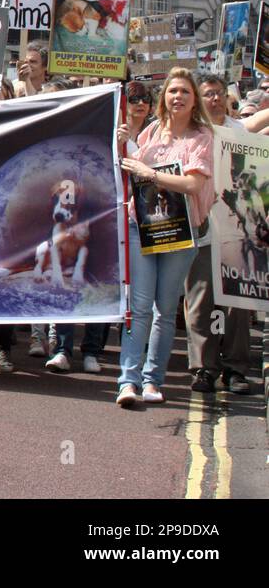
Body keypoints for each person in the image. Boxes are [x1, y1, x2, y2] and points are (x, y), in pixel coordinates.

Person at [115, 67, 214, 407]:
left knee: (166, 309)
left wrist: (151, 173)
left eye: (185, 92)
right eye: (173, 91)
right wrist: (121, 144)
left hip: (180, 231)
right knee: (139, 307)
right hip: (142, 227)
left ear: (193, 99)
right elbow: (131, 173)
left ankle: (152, 380)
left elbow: (193, 184)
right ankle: (127, 381)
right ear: (164, 97)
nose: (178, 97)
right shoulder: (151, 132)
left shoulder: (201, 136)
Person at [184, 74, 252, 394]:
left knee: (237, 304)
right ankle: (204, 368)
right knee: (203, 302)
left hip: (237, 232)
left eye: (219, 94)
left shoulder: (240, 132)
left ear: (227, 97)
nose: (214, 99)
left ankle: (234, 368)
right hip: (200, 229)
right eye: (208, 94)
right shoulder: (191, 133)